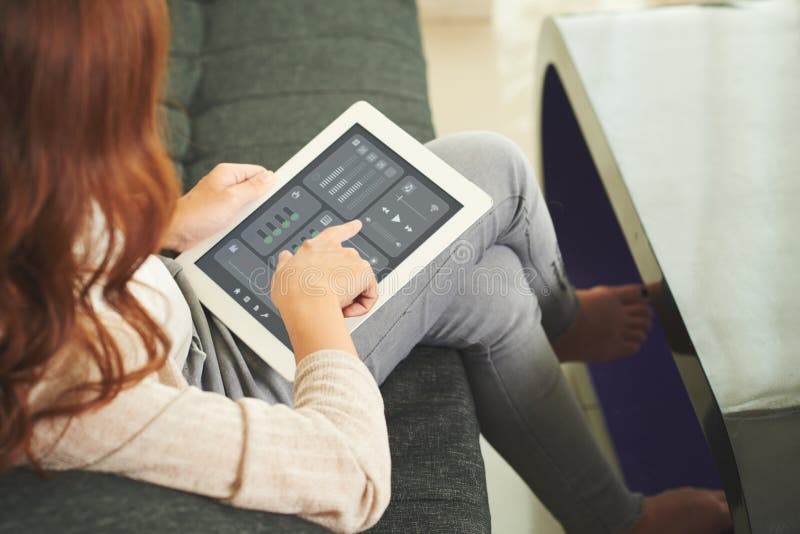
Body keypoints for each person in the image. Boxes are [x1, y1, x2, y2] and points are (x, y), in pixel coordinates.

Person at [0, 1, 731, 533]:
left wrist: (165, 225)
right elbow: (349, 478)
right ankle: (566, 330)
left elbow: (68, 257)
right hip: (243, 375)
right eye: (123, 112)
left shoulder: (26, 205)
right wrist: (314, 310)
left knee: (494, 291)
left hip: (186, 297)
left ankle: (607, 504)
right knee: (495, 175)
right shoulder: (82, 397)